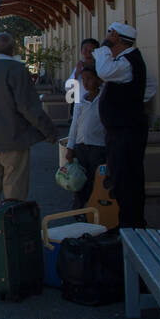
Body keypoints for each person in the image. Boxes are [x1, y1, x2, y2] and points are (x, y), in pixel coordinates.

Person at [0, 32, 58, 210]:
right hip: (15, 141)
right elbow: (29, 108)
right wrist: (49, 132)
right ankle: (12, 233)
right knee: (14, 194)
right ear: (12, 50)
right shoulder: (18, 70)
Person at [93, 21, 157, 228]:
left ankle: (132, 224)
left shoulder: (125, 63)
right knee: (123, 177)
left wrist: (102, 49)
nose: (107, 35)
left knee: (126, 178)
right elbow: (150, 85)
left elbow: (103, 71)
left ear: (117, 38)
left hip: (125, 132)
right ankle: (129, 221)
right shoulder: (127, 61)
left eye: (110, 33)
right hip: (122, 129)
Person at [63, 65, 105, 210]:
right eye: (83, 79)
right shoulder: (81, 101)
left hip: (98, 146)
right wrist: (70, 147)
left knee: (96, 180)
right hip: (81, 146)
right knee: (80, 180)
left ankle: (95, 208)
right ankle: (78, 209)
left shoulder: (104, 99)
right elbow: (74, 125)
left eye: (90, 79)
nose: (86, 83)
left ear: (99, 80)